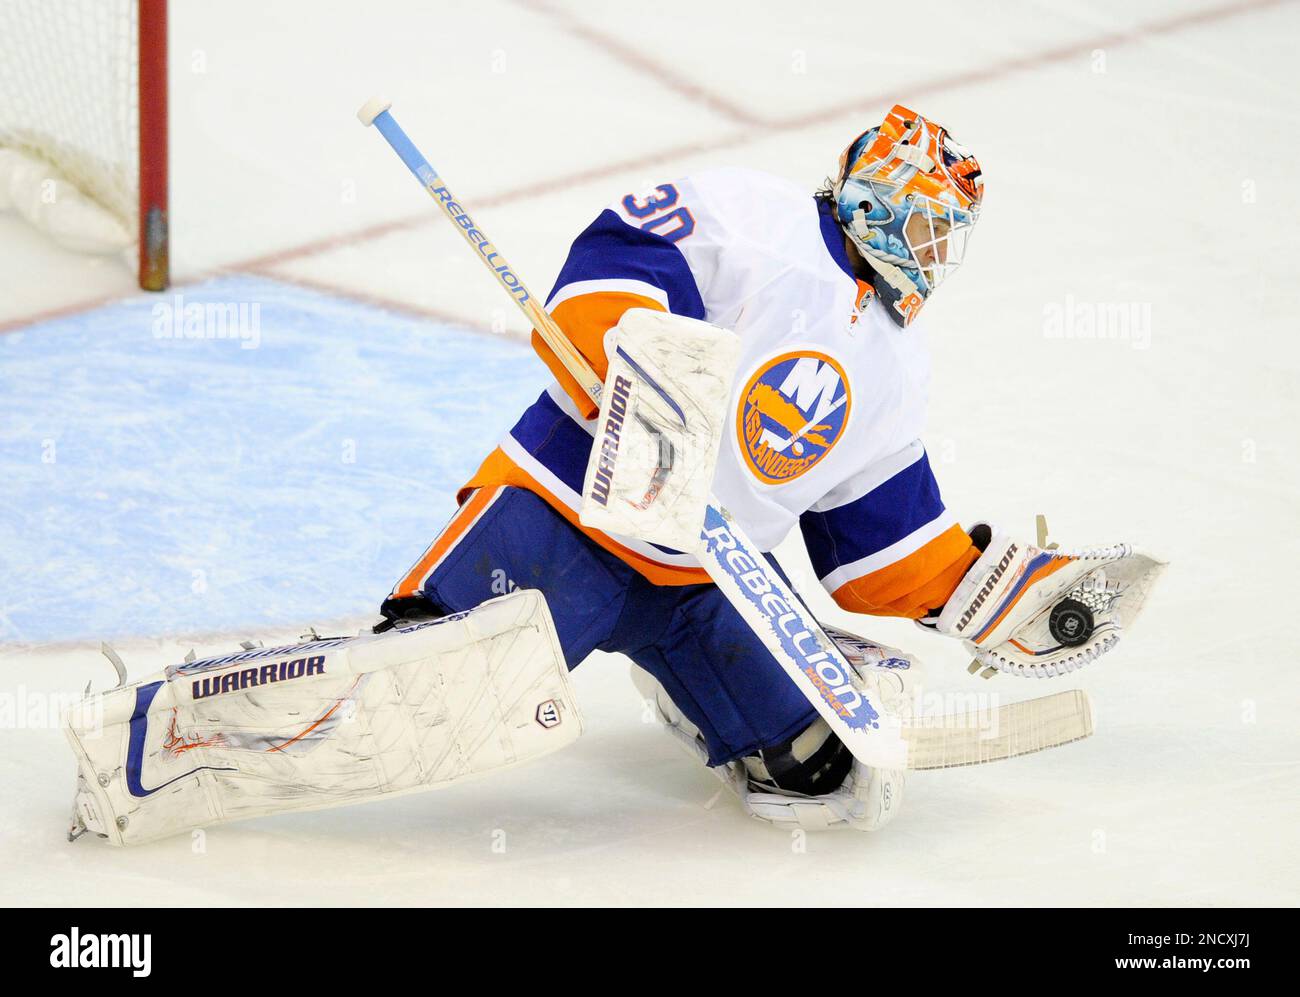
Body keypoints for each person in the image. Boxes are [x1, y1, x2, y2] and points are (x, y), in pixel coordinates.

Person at [379, 105, 1005, 830]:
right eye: (929, 224)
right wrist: (624, 347)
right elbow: (625, 252)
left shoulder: (896, 364)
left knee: (816, 763)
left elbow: (878, 527)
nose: (936, 250)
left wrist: (978, 587)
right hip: (571, 513)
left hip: (710, 577)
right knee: (435, 683)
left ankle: (688, 688)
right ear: (879, 199)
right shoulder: (758, 216)